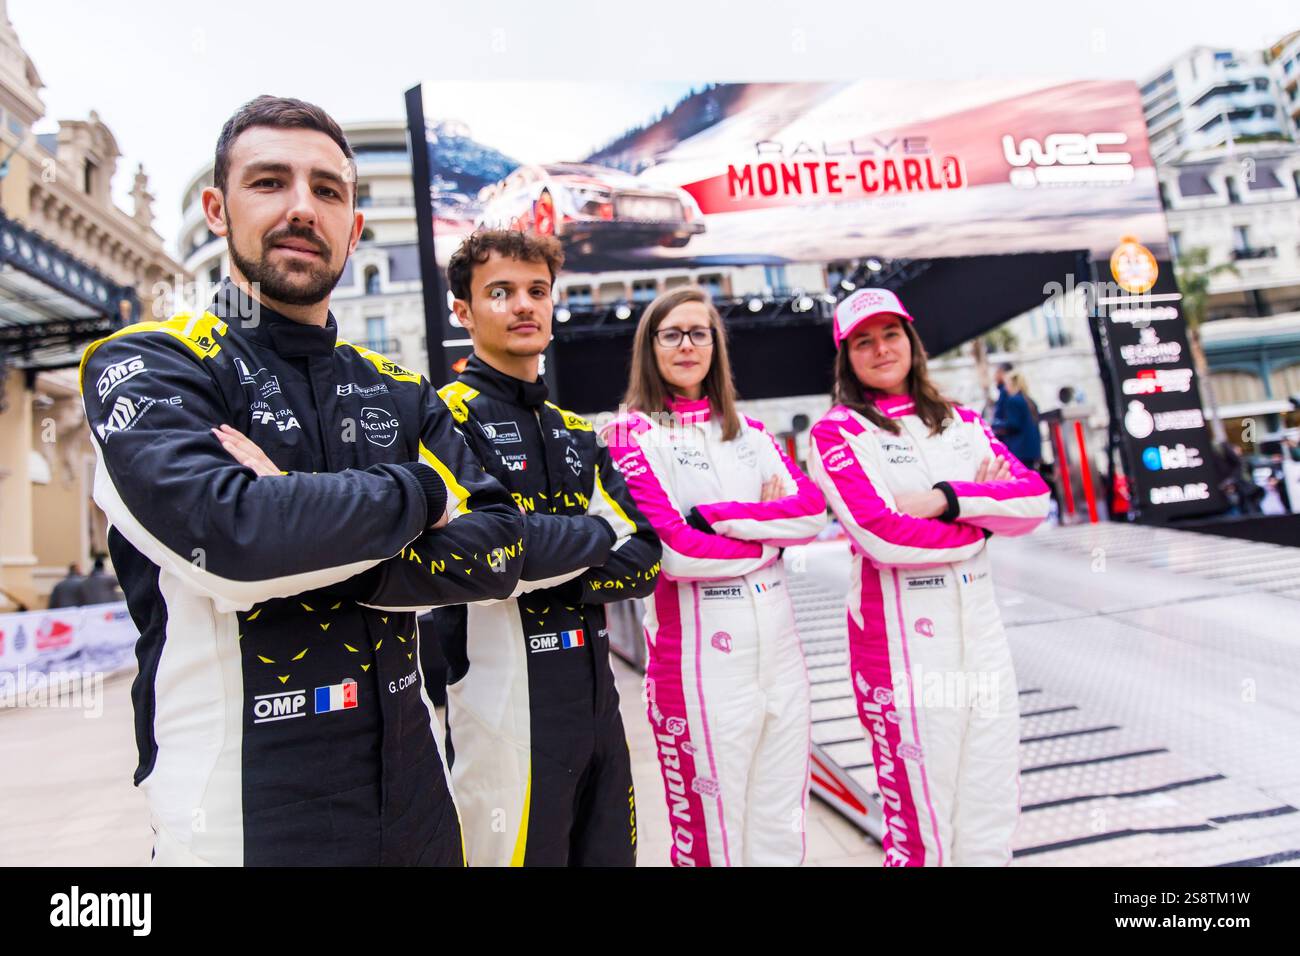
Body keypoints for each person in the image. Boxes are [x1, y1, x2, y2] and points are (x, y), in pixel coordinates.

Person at [78, 96, 525, 866]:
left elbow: (502, 548)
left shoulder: (401, 387)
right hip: (238, 807)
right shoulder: (149, 361)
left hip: (417, 793)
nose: (300, 208)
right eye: (269, 182)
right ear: (217, 209)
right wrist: (423, 493)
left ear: (353, 227)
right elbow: (237, 538)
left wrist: (304, 517)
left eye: (326, 191)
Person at [428, 229, 662, 866]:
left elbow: (644, 557)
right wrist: (587, 545)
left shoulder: (575, 430)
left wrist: (545, 565)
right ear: (463, 312)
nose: (524, 306)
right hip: (500, 708)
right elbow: (481, 556)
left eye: (537, 291)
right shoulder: (442, 417)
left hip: (598, 704)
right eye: (499, 293)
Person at [807, 288, 1050, 866]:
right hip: (903, 654)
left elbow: (1034, 501)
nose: (881, 348)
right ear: (848, 358)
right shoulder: (837, 433)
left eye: (890, 334)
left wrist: (947, 499)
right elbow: (881, 536)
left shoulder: (962, 420)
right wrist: (981, 516)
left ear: (911, 342)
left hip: (982, 641)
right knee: (923, 835)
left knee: (989, 816)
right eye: (863, 341)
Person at [603, 286, 826, 866]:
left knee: (780, 831)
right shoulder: (630, 436)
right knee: (713, 845)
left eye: (698, 332)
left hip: (781, 658)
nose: (686, 345)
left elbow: (811, 516)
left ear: (716, 345)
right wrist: (767, 536)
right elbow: (676, 553)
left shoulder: (751, 433)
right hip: (700, 667)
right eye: (671, 333)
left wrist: (720, 521)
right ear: (649, 346)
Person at [992, 366, 1043, 470]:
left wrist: (996, 424)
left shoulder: (1013, 401)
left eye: (1007, 385)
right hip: (1032, 450)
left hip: (1020, 450)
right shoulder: (1029, 400)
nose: (1006, 388)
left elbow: (1013, 425)